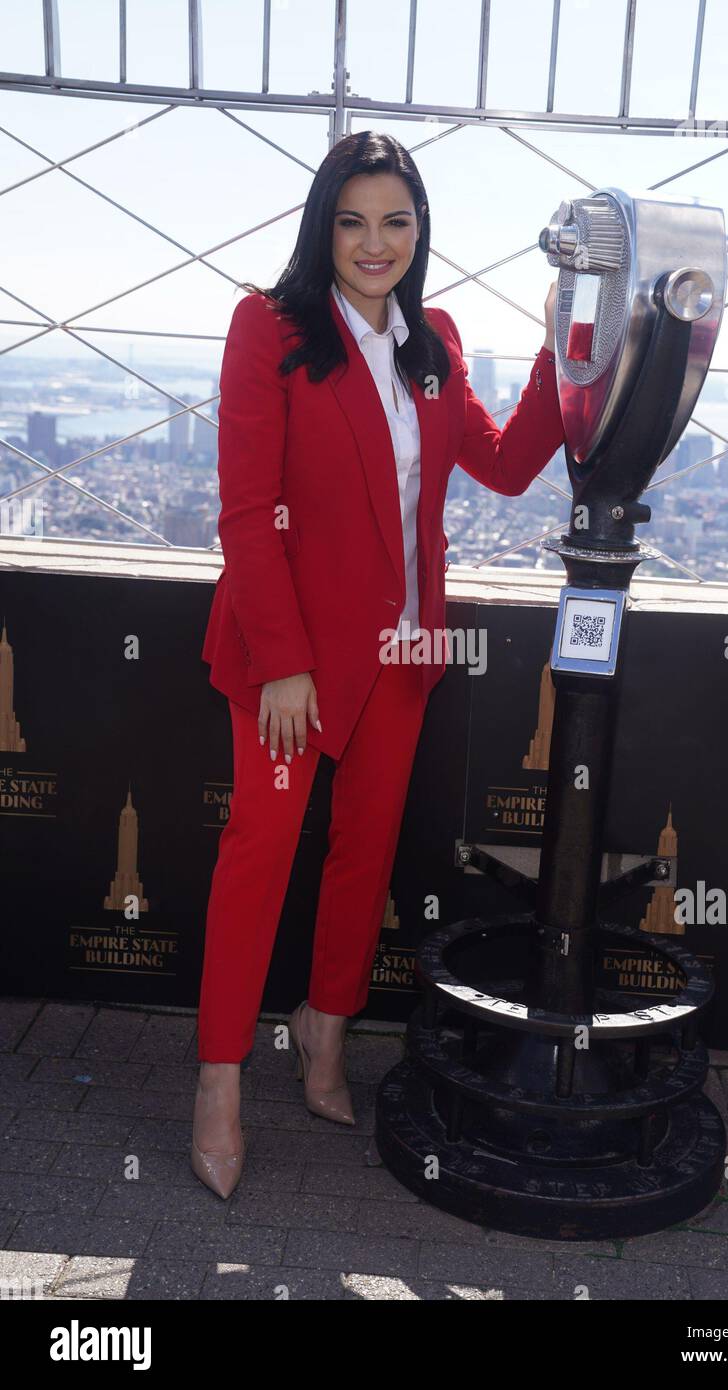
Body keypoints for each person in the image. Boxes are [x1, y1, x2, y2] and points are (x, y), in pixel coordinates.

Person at [191, 129, 565, 1198]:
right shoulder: (267, 327)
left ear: (418, 231)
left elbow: (500, 462)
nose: (373, 241)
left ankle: (323, 1031)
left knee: (364, 857)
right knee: (258, 859)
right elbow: (243, 516)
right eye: (350, 219)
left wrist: (555, 351)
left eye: (394, 220)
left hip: (405, 650)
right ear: (324, 227)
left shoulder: (431, 337)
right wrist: (282, 663)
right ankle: (218, 1079)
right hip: (288, 662)